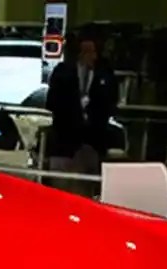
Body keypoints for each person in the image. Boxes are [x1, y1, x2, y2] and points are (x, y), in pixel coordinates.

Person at [45, 34, 117, 192]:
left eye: (92, 51)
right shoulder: (62, 72)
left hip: (93, 140)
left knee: (88, 189)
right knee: (61, 189)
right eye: (85, 51)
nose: (90, 56)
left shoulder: (105, 74)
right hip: (65, 140)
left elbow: (111, 102)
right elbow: (51, 103)